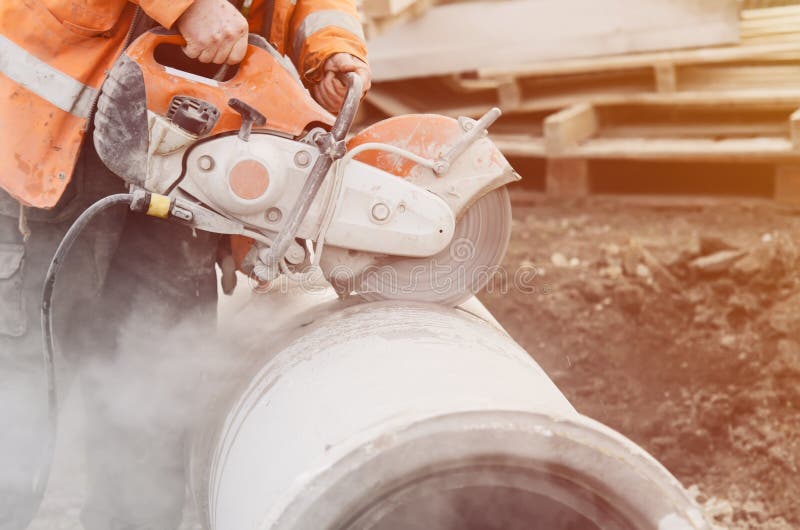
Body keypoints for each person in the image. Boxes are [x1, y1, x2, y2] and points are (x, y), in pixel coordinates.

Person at [0, 0, 371, 528]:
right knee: (18, 394)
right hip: (58, 138)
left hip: (202, 144)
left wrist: (332, 48)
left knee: (153, 394)